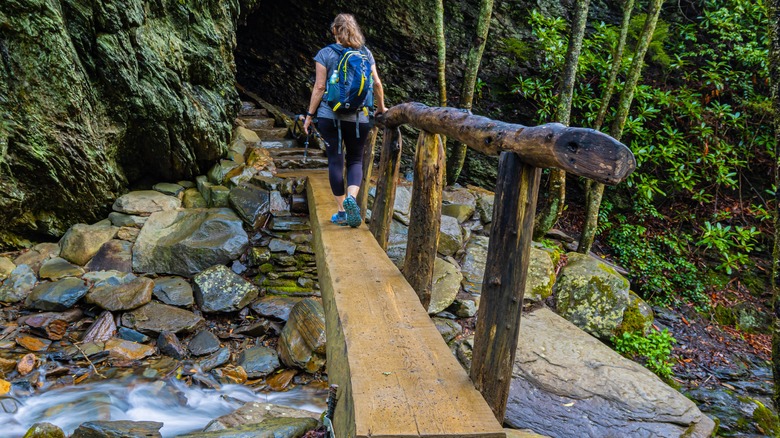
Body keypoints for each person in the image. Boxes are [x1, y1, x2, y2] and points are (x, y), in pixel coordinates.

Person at [302, 13, 387, 228]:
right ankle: (352, 197)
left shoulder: (325, 54)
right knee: (356, 159)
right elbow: (376, 84)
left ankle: (341, 211)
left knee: (335, 160)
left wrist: (309, 115)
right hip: (359, 118)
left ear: (335, 32)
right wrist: (381, 108)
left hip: (329, 116)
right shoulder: (366, 54)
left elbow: (320, 87)